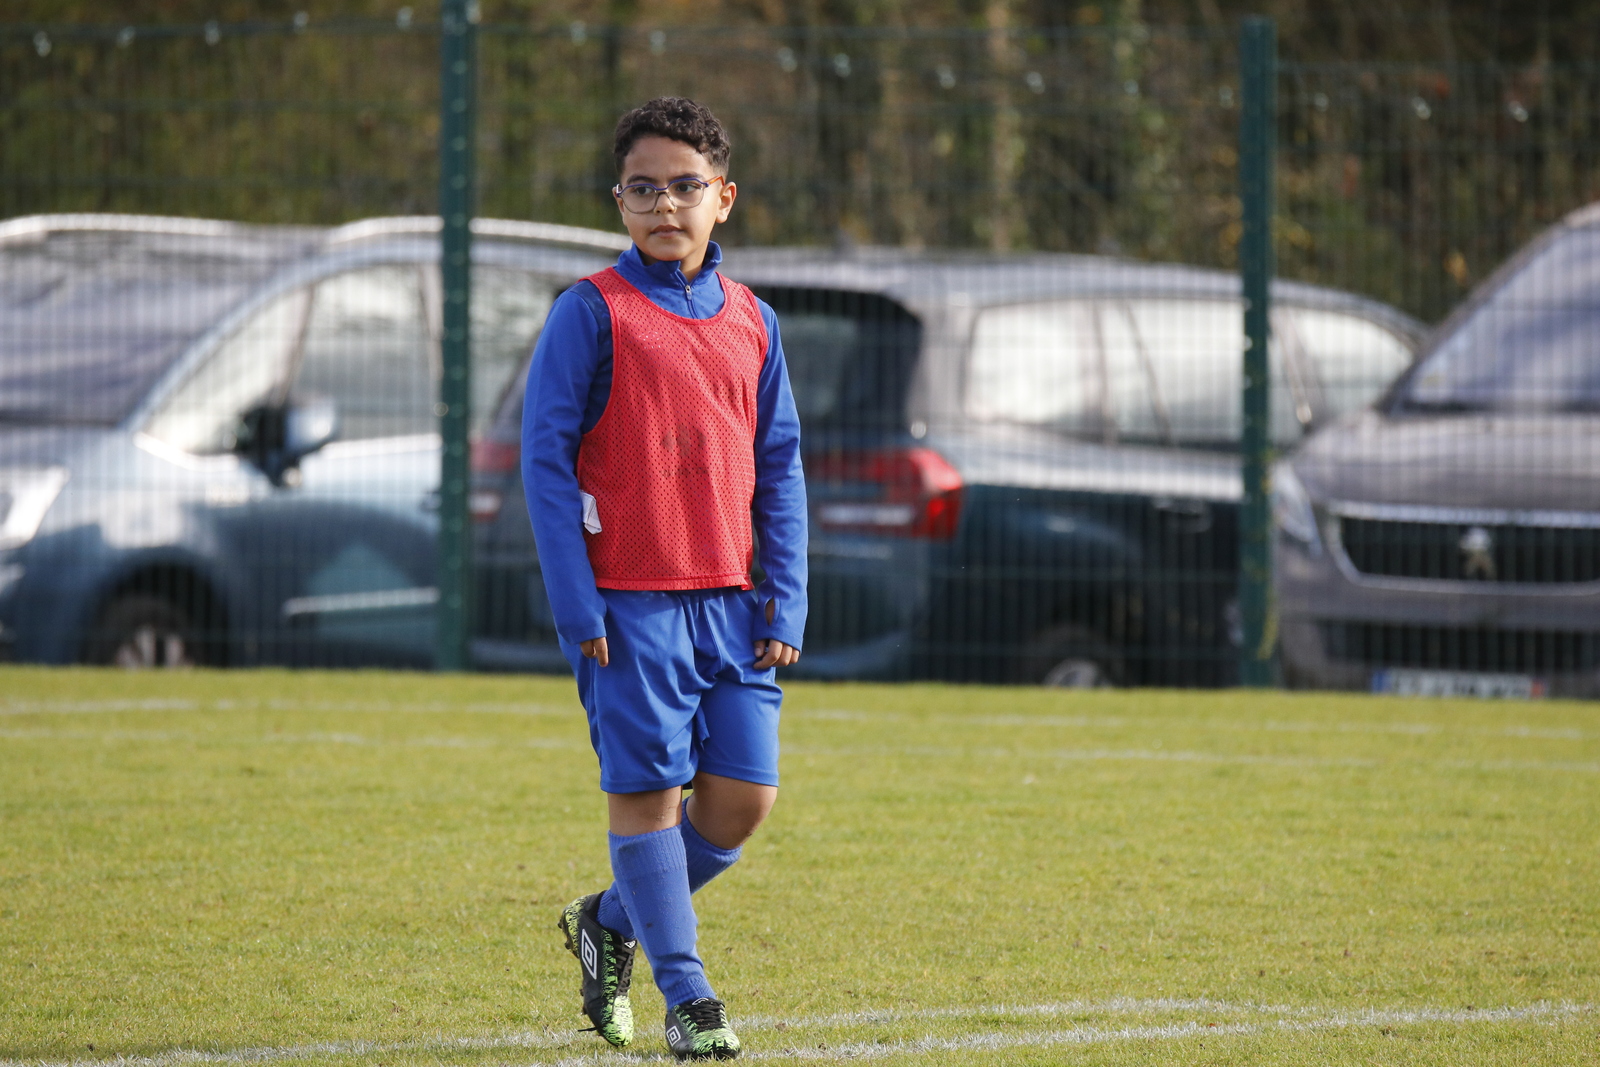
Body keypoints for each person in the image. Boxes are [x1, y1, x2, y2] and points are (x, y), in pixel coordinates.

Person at [522, 96, 807, 1062]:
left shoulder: (755, 322)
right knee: (644, 795)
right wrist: (576, 601)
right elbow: (545, 461)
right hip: (626, 604)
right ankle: (691, 1000)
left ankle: (609, 919)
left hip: (733, 605)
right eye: (644, 188)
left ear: (723, 198)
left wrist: (787, 595)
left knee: (741, 800)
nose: (664, 205)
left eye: (685, 186)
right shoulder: (589, 311)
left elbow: (782, 464)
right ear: (619, 201)